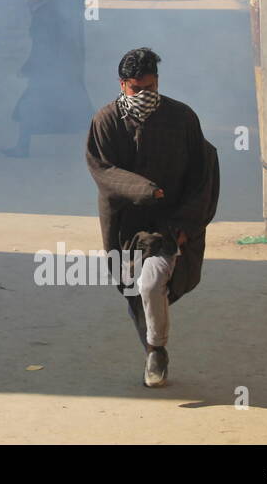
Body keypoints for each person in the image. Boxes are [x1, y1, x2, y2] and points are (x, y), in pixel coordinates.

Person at [85, 47, 220, 388]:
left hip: (170, 224)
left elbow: (202, 174)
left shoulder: (182, 118)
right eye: (136, 89)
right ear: (122, 85)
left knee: (151, 283)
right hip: (124, 224)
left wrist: (187, 225)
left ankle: (156, 350)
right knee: (133, 289)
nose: (145, 95)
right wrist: (144, 190)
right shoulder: (106, 120)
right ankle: (150, 347)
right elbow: (102, 169)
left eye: (151, 86)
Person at [2, 0, 92, 158]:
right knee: (73, 104)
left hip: (60, 60)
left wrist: (33, 64)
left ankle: (107, 144)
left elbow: (54, 35)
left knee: (38, 104)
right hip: (63, 59)